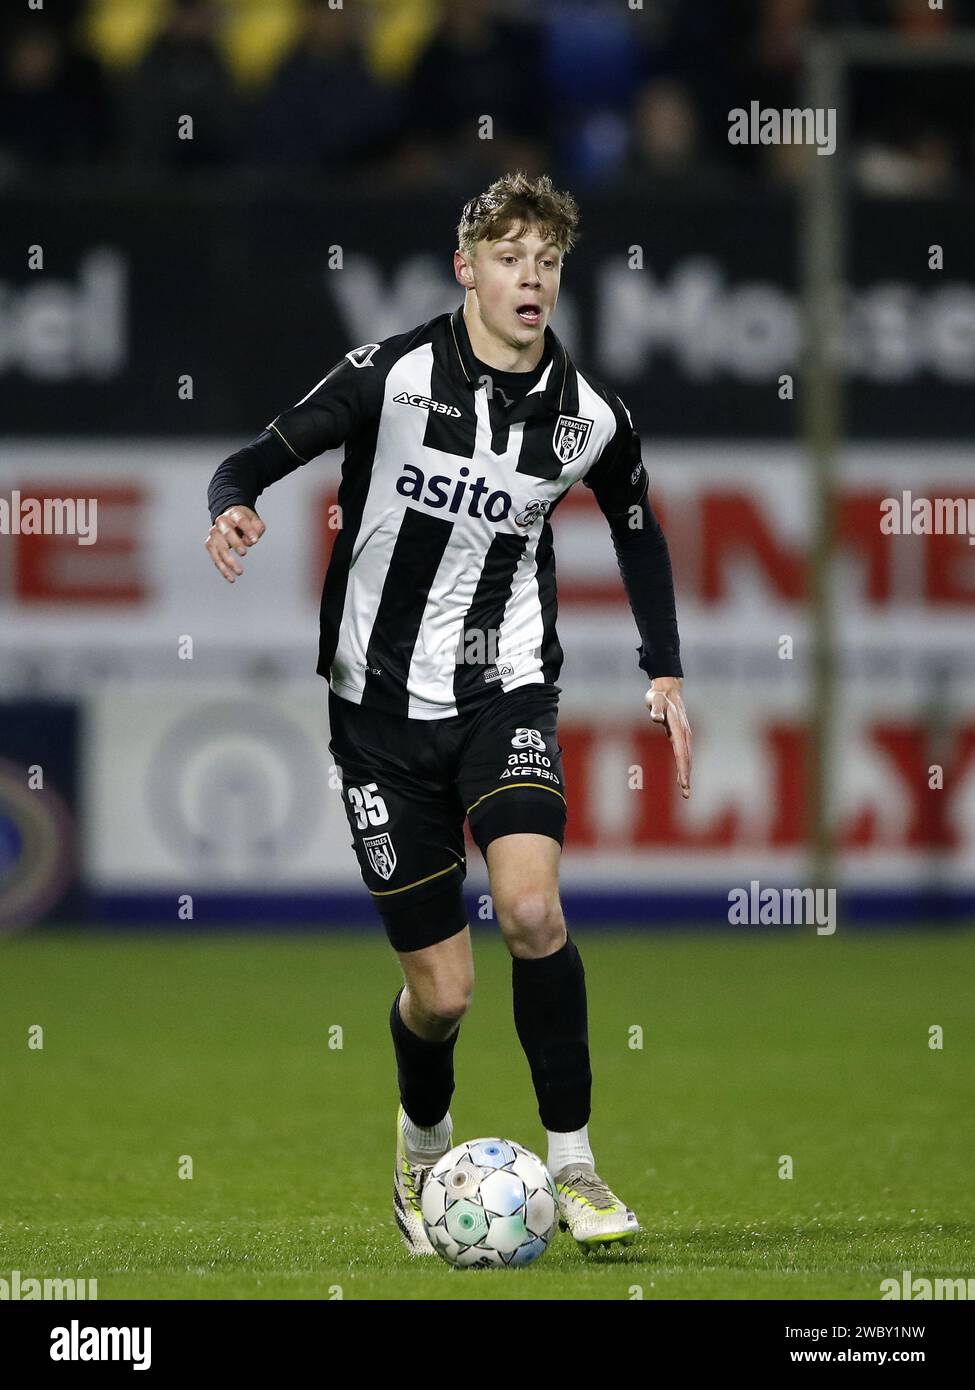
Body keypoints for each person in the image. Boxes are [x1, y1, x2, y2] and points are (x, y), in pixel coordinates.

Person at [205, 171, 691, 1253]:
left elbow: (638, 523)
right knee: (445, 991)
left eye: (549, 261)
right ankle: (422, 1146)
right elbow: (255, 456)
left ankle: (575, 1167)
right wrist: (232, 502)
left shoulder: (589, 416)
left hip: (503, 687)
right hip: (375, 714)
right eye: (511, 257)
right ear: (466, 269)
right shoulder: (393, 375)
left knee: (532, 912)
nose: (532, 278)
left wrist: (664, 666)